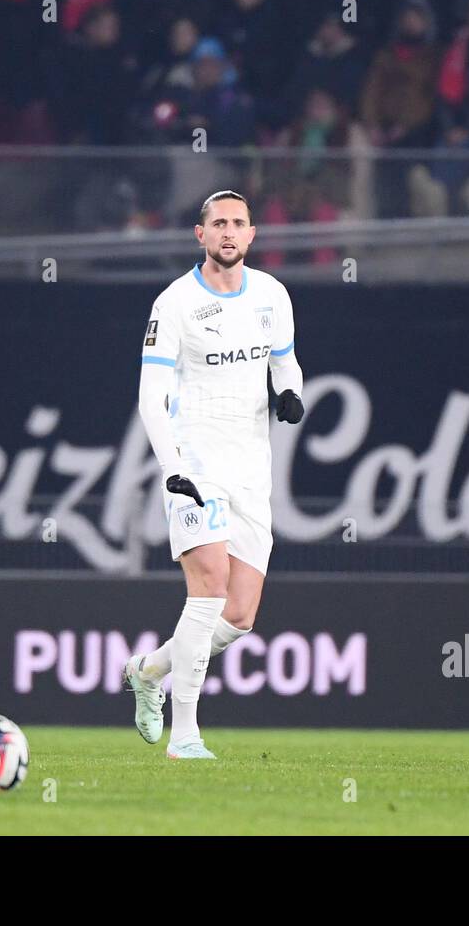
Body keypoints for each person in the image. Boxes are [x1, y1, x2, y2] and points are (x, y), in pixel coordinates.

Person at [124, 190, 305, 760]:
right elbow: (151, 396)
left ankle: (149, 670)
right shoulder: (174, 302)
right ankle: (185, 736)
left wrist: (291, 391)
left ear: (252, 236)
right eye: (218, 223)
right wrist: (173, 466)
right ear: (199, 235)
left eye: (238, 224)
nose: (229, 232)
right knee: (208, 589)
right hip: (195, 462)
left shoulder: (273, 295)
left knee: (241, 614)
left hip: (252, 466)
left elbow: (285, 360)